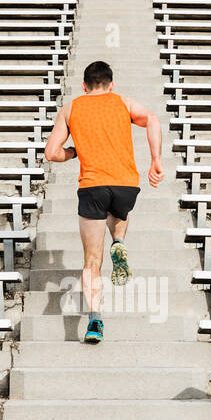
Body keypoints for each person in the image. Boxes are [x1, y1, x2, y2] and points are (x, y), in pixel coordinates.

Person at [42, 60, 164, 343]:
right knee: (119, 213)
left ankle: (95, 320)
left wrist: (72, 154)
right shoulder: (122, 102)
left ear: (84, 86)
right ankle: (118, 240)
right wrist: (156, 160)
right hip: (126, 184)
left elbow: (51, 152)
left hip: (92, 186)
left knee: (91, 261)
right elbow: (154, 120)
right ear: (111, 84)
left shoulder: (72, 107)